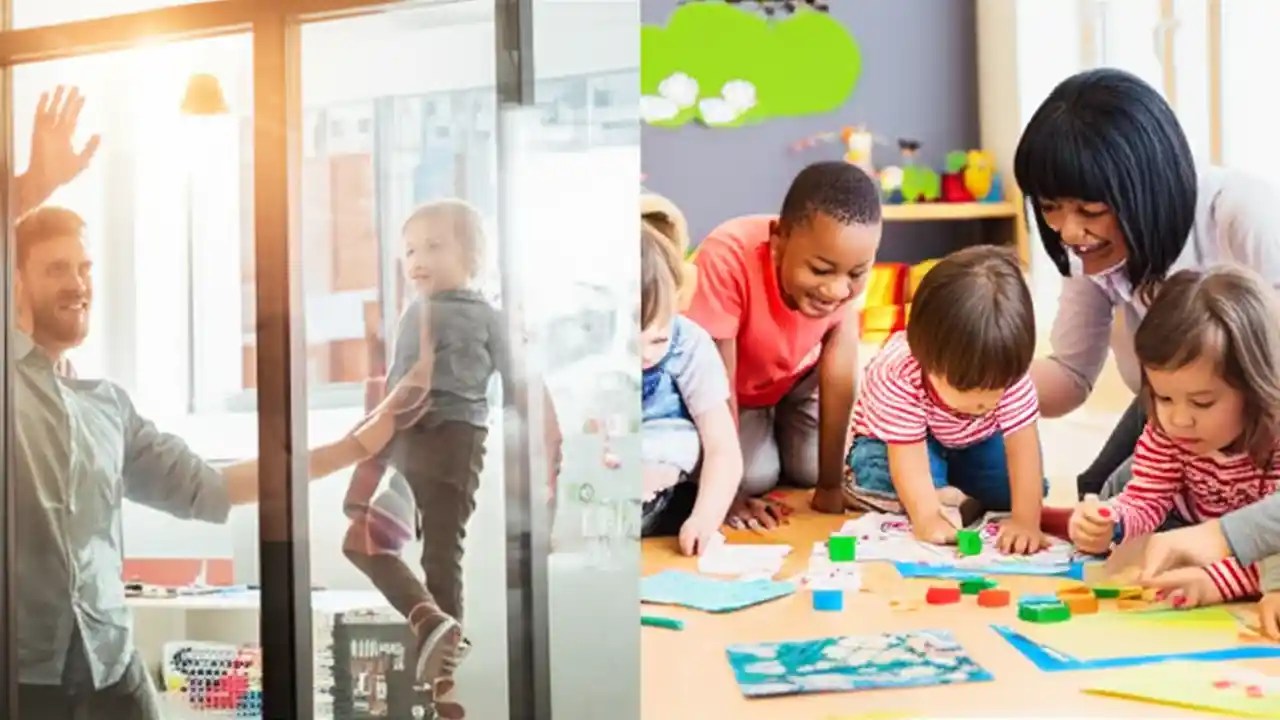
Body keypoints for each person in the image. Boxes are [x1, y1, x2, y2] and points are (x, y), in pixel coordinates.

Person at [13, 206, 399, 719]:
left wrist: (353, 448)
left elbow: (212, 486)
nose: (78, 283)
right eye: (56, 268)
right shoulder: (7, 388)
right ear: (14, 283)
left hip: (110, 666)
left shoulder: (107, 405)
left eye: (84, 268)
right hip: (24, 677)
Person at [1014, 68, 1280, 501]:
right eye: (1050, 208)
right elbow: (1070, 374)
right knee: (1100, 497)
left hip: (1258, 410)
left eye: (1089, 209)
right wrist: (976, 374)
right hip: (1170, 405)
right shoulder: (1091, 254)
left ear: (1145, 187)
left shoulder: (1241, 213)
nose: (1068, 232)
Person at [340, 199, 504, 711]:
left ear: (472, 256)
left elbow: (397, 399)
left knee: (404, 544)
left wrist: (369, 463)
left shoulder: (437, 315)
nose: (417, 259)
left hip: (442, 441)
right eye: (410, 250)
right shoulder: (442, 315)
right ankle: (435, 637)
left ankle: (439, 656)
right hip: (442, 442)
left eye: (434, 246)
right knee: (407, 548)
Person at [1069, 266, 1280, 612]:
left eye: (1202, 402)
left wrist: (1218, 580)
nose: (1179, 420)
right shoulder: (1166, 431)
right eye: (1163, 398)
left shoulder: (1271, 440)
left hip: (1250, 552)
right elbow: (1146, 496)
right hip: (1184, 525)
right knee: (1122, 505)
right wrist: (1109, 522)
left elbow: (1269, 542)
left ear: (1255, 388)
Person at [685, 161, 881, 521]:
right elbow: (713, 380)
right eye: (820, 270)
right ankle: (762, 432)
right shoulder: (727, 255)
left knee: (813, 470)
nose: (838, 289)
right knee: (755, 475)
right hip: (735, 393)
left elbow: (839, 376)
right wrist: (726, 492)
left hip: (796, 383)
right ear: (779, 241)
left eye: (856, 274)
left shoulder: (845, 272)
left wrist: (830, 487)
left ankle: (782, 429)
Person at [844, 246, 1047, 552]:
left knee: (1020, 489)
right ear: (927, 358)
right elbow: (908, 457)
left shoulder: (1008, 368)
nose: (984, 404)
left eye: (996, 391)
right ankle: (924, 491)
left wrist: (1026, 521)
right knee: (886, 481)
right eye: (966, 389)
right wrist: (926, 516)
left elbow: (1024, 448)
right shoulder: (898, 373)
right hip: (900, 445)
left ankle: (952, 491)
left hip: (971, 444)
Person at [640, 222, 741, 555]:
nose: (644, 355)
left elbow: (723, 447)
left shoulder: (688, 342)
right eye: (628, 343)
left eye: (657, 339)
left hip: (666, 492)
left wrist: (705, 519)